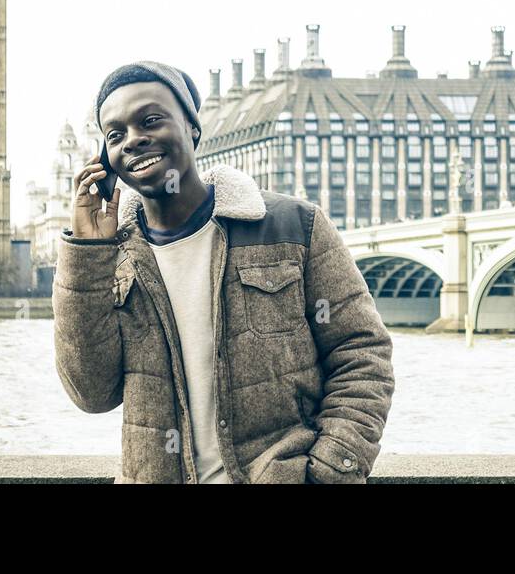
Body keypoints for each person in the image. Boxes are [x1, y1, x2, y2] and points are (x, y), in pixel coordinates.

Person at [52, 60, 395, 483]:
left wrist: (328, 471)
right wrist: (87, 251)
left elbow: (362, 354)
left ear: (193, 128)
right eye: (116, 134)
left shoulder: (293, 226)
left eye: (151, 121)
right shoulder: (113, 257)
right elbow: (92, 393)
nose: (134, 140)